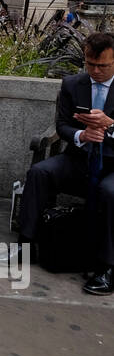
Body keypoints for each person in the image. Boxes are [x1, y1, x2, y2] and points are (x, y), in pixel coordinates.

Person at [19, 32, 114, 295]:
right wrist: (81, 135)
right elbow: (61, 125)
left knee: (109, 192)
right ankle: (25, 245)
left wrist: (109, 127)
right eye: (90, 64)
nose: (95, 71)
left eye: (103, 66)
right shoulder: (73, 84)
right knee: (40, 172)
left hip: (112, 165)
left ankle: (107, 267)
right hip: (79, 159)